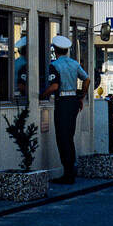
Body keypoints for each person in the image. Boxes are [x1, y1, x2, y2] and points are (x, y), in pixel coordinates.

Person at [41, 34, 89, 184]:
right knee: (69, 136)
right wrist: (81, 96)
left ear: (55, 50)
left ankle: (67, 174)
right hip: (73, 101)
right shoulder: (74, 64)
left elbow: (54, 86)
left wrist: (42, 95)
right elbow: (86, 79)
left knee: (62, 138)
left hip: (62, 102)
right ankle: (70, 171)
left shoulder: (54, 66)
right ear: (67, 50)